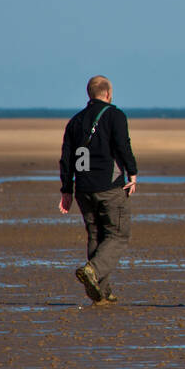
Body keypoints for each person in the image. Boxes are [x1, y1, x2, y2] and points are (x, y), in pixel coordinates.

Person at [59, 75, 139, 305]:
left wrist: (67, 189)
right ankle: (93, 271)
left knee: (96, 235)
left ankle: (102, 292)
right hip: (108, 187)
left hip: (83, 189)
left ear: (90, 94)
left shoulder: (75, 121)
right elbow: (123, 146)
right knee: (118, 234)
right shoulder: (115, 115)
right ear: (107, 93)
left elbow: (65, 159)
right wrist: (132, 173)